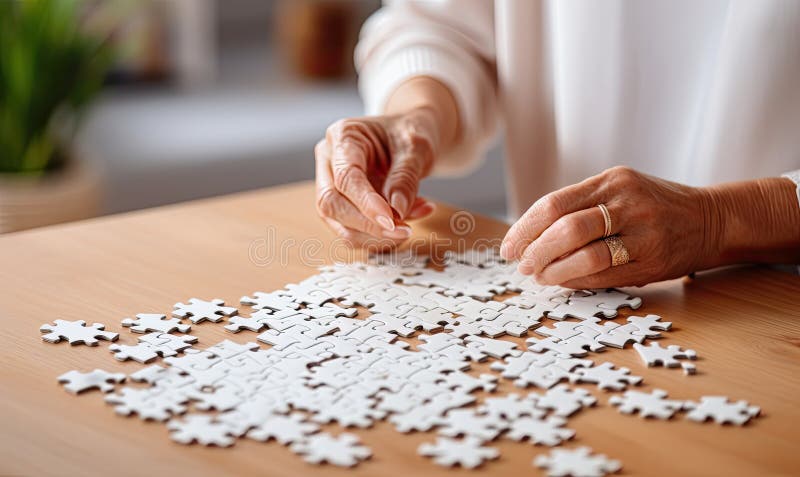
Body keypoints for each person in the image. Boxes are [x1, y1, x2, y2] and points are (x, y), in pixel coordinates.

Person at [314, 1, 800, 288]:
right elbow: (439, 22)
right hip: (555, 303)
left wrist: (718, 220)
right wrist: (415, 114)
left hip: (774, 322)